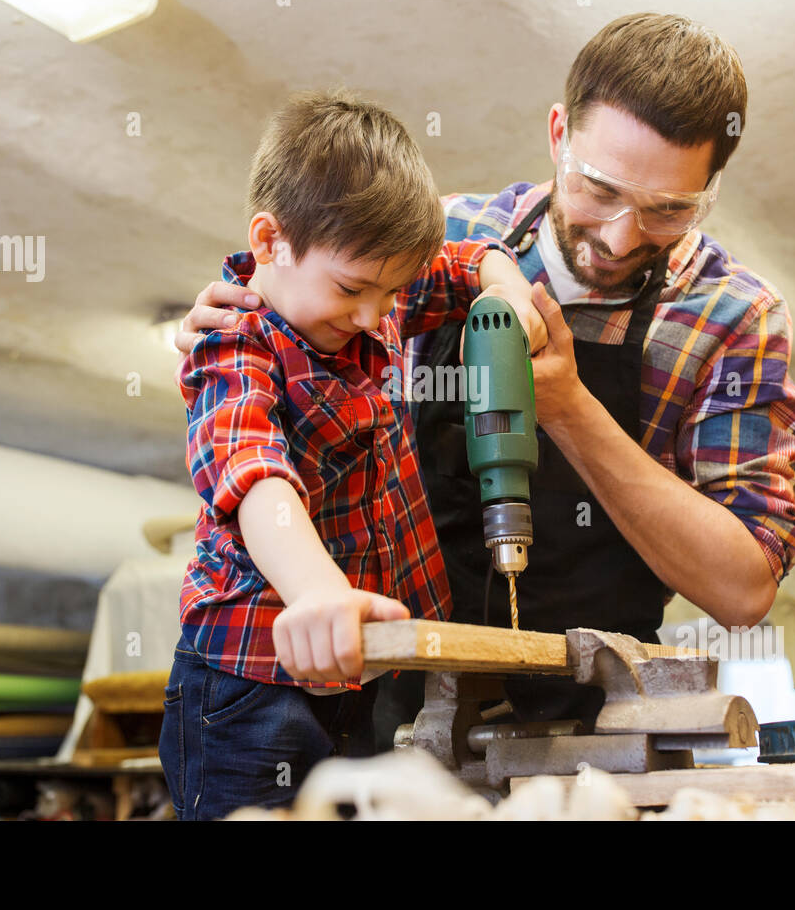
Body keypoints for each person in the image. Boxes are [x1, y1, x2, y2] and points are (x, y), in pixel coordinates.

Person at [176, 14, 795, 736]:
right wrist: (234, 327)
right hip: (391, 685)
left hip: (591, 715)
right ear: (557, 135)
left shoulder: (736, 317)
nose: (618, 236)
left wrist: (569, 408)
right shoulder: (435, 234)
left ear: (709, 190)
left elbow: (743, 592)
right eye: (599, 190)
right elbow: (294, 290)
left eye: (668, 211)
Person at [160, 90, 542, 819]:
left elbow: (463, 263)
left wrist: (508, 287)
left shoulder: (376, 294)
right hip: (247, 682)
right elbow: (252, 473)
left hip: (358, 671)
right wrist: (317, 591)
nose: (375, 314)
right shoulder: (233, 344)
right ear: (270, 240)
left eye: (390, 290)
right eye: (353, 289)